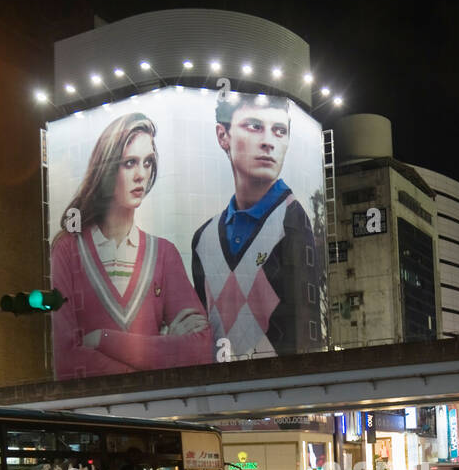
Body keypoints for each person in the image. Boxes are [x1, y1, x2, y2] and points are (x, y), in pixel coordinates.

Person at [51, 112, 212, 378]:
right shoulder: (67, 251)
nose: (141, 175)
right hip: (91, 415)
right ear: (106, 169)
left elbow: (201, 349)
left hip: (157, 415)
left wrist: (103, 339)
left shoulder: (164, 254)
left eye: (148, 162)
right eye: (129, 163)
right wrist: (164, 348)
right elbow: (67, 362)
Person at [192, 92, 321, 359]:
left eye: (279, 131)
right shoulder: (203, 237)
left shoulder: (293, 220)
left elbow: (303, 323)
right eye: (254, 126)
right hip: (213, 390)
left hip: (278, 388)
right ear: (222, 135)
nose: (268, 142)